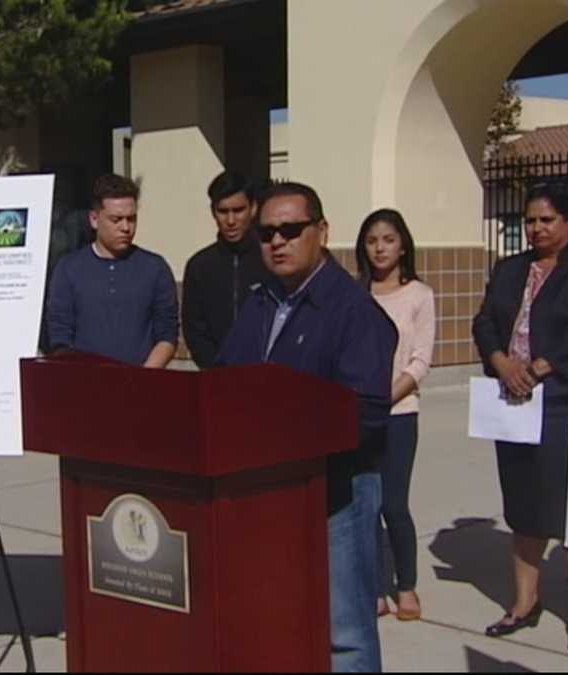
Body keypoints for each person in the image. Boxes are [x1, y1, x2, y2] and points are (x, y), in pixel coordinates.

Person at [216, 182, 397, 672]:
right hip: (264, 493)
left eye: (291, 230)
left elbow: (364, 415)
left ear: (322, 231)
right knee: (275, 617)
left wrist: (281, 432)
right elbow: (225, 381)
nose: (277, 241)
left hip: (337, 493)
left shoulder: (355, 313)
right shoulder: (259, 303)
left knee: (346, 633)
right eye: (267, 232)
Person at [471, 183, 568, 653]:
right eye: (530, 220)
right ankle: (524, 602)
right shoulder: (510, 269)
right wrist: (502, 362)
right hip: (513, 404)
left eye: (547, 220)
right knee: (524, 505)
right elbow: (484, 321)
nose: (537, 228)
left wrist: (544, 366)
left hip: (562, 401)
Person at [354, 208, 435, 623]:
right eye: (372, 240)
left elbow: (420, 362)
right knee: (363, 505)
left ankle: (406, 587)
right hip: (357, 418)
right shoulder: (355, 295)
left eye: (388, 239)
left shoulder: (420, 295)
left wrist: (383, 399)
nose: (380, 248)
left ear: (403, 244)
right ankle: (372, 589)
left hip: (399, 414)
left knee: (393, 505)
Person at [45, 174, 179, 367]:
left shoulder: (155, 268)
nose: (126, 227)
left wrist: (143, 377)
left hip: (142, 383)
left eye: (131, 219)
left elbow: (167, 334)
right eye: (116, 219)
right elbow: (60, 335)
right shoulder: (69, 269)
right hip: (86, 383)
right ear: (94, 219)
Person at [182, 171, 270, 369]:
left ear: (253, 208)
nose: (231, 221)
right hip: (217, 378)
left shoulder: (271, 259)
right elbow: (194, 329)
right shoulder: (199, 266)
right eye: (223, 211)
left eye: (238, 210)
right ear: (213, 212)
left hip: (267, 376)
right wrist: (216, 369)